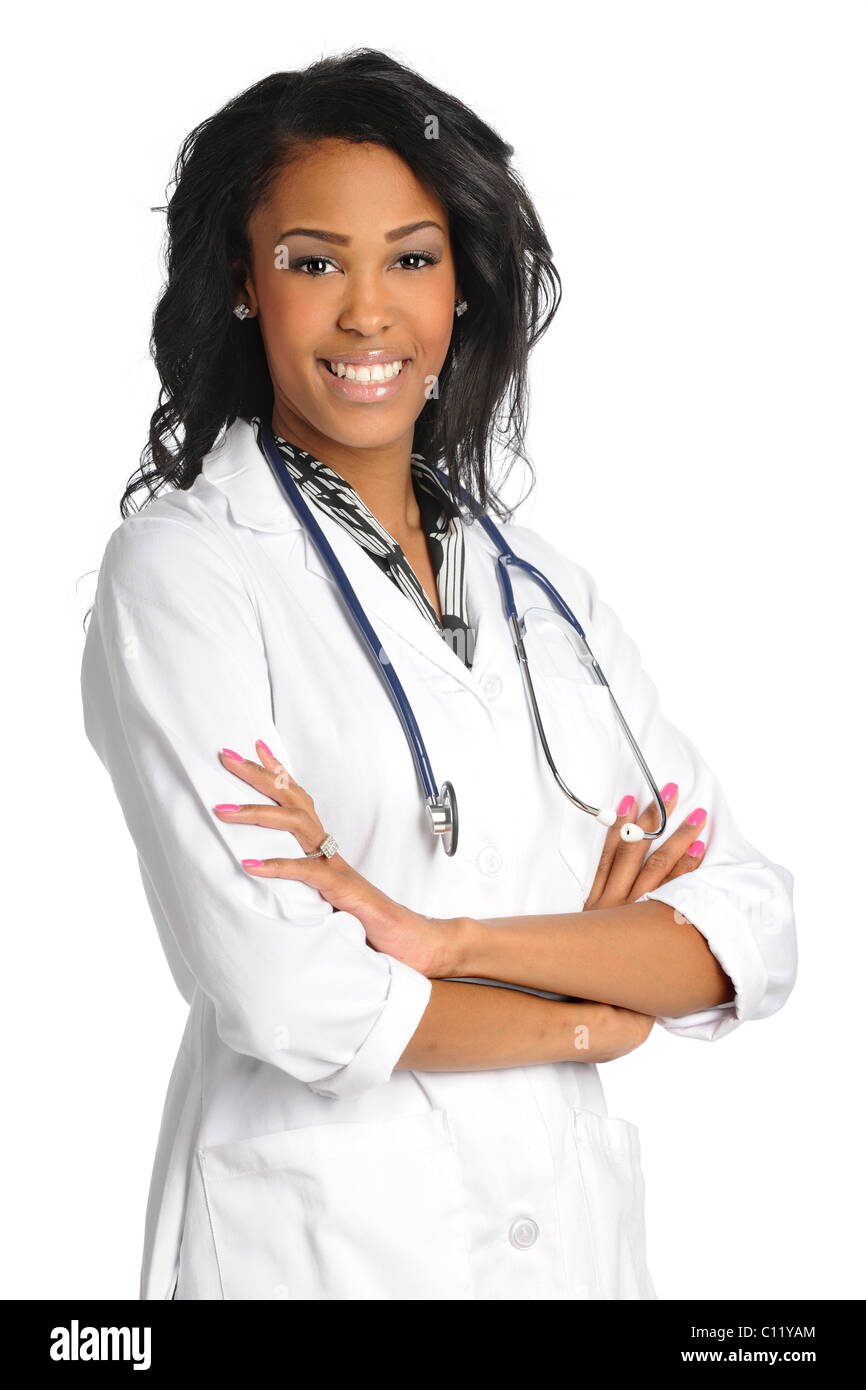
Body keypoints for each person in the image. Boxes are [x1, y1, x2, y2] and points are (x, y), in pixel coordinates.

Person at [80, 48, 797, 1301]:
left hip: (569, 1249)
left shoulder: (547, 595)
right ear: (244, 284)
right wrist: (592, 999)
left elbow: (746, 930)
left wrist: (444, 939)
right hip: (320, 1255)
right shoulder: (188, 571)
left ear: (461, 282)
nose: (368, 313)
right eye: (314, 261)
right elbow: (287, 990)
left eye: (410, 258)